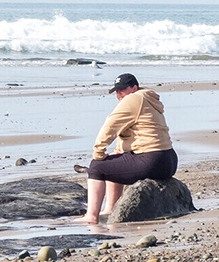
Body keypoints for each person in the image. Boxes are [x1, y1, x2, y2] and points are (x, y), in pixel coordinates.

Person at [76, 73, 178, 224]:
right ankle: (110, 209)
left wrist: (98, 153)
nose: (119, 94)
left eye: (122, 90)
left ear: (134, 88)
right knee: (113, 160)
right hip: (168, 161)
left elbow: (110, 126)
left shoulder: (133, 99)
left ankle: (91, 216)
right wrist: (111, 155)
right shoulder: (148, 100)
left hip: (151, 160)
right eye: (117, 91)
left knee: (97, 167)